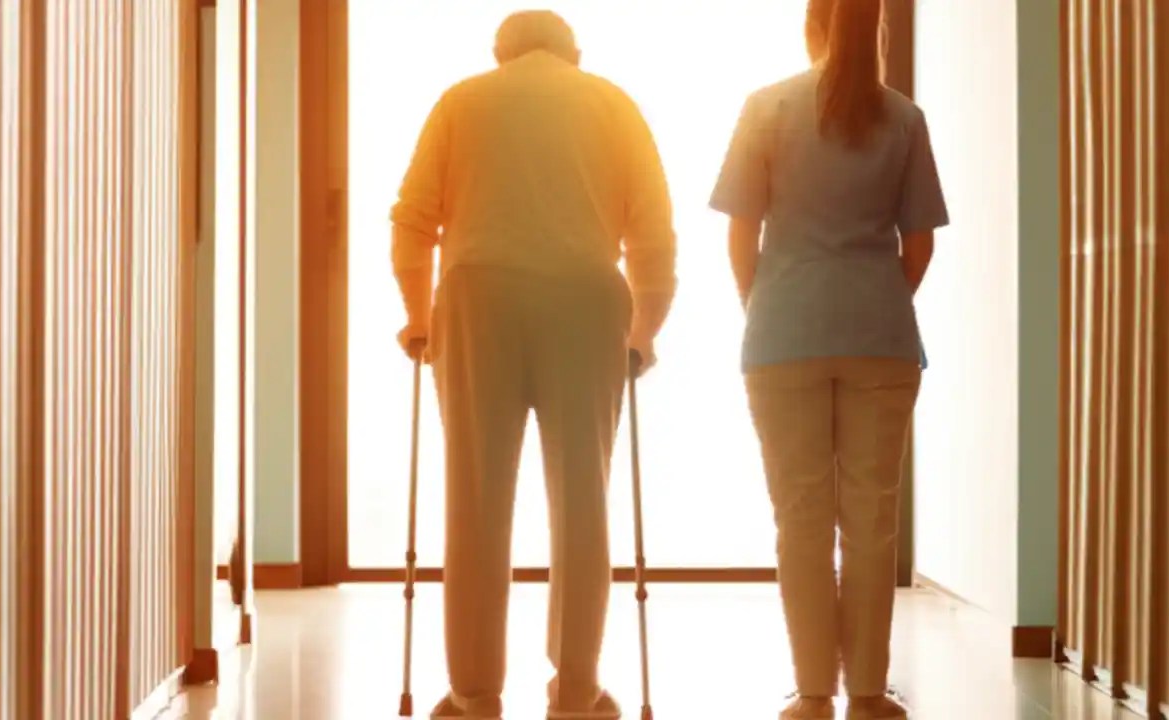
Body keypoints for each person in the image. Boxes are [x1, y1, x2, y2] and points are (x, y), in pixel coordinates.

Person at [390, 10, 676, 720]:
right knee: (582, 498)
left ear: (500, 52)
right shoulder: (612, 102)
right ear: (573, 53)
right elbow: (652, 233)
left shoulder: (461, 101)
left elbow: (412, 220)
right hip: (584, 301)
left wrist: (419, 318)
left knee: (475, 499)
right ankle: (576, 690)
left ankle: (474, 693)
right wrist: (645, 330)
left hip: (478, 298)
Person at [710, 1, 948, 718]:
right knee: (873, 519)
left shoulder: (765, 106)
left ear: (811, 28)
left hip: (783, 336)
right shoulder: (904, 118)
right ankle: (869, 693)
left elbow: (741, 236)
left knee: (801, 519)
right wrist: (875, 301)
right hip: (881, 337)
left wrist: (767, 305)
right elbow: (919, 245)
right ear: (877, 31)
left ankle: (813, 692)